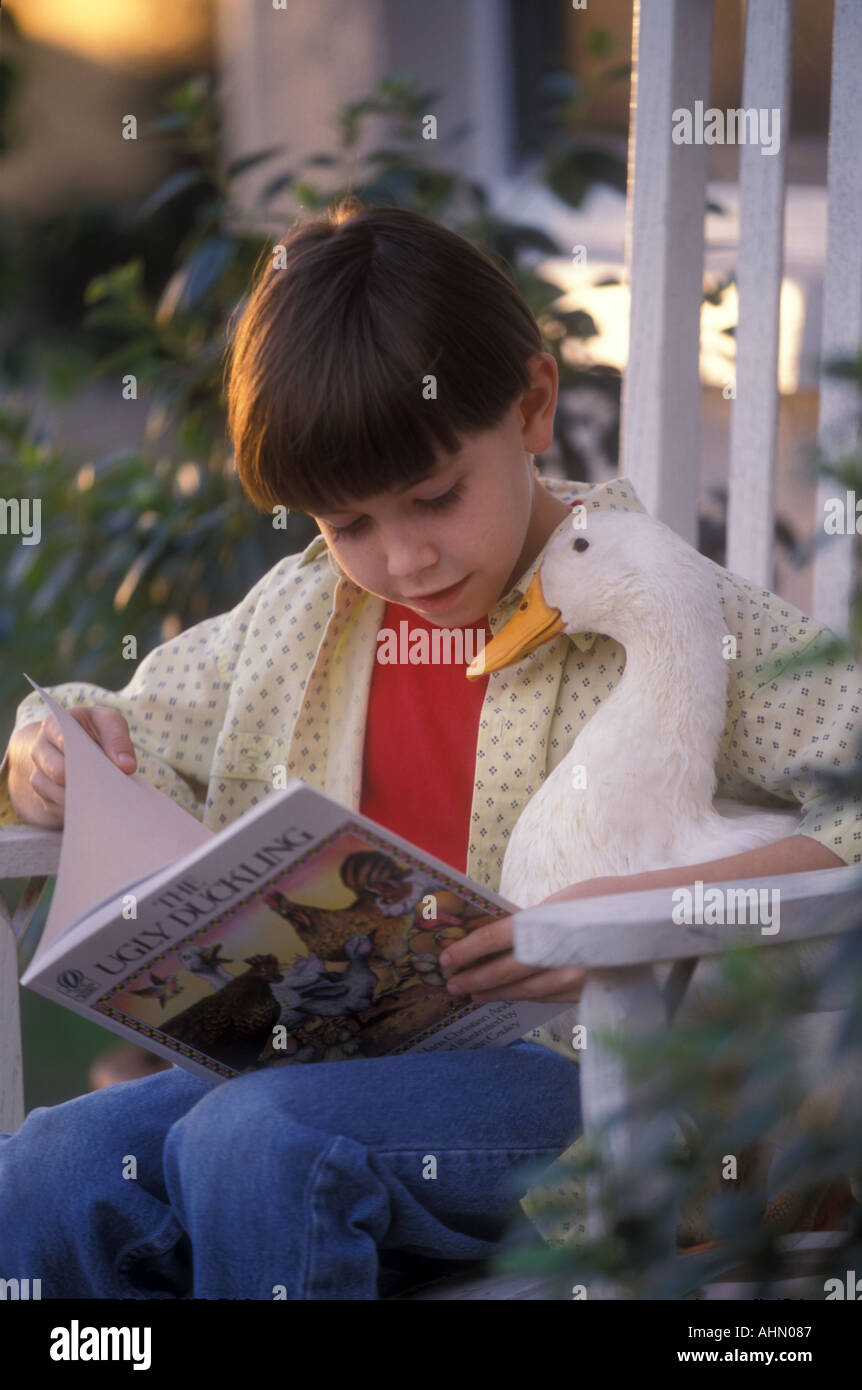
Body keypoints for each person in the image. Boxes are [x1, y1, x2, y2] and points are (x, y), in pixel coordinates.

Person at [0, 201, 858, 1299]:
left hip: (590, 1089)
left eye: (434, 497)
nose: (401, 557)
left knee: (260, 1143)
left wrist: (627, 921)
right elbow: (117, 722)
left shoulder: (664, 610)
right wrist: (53, 753)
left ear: (533, 405)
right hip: (325, 1071)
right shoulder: (300, 619)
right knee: (53, 1164)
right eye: (346, 524)